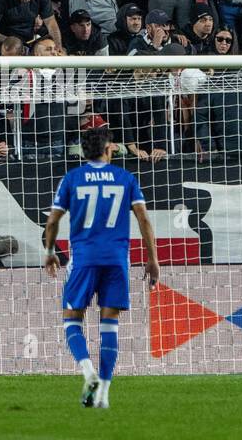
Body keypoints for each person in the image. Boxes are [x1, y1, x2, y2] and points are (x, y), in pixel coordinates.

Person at [42, 125, 159, 410]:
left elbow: (53, 220)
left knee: (72, 318)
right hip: (117, 260)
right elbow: (144, 220)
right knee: (110, 325)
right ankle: (104, 395)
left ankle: (88, 372)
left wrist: (49, 251)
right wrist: (153, 259)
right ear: (108, 149)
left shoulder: (72, 178)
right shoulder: (126, 178)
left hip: (84, 258)